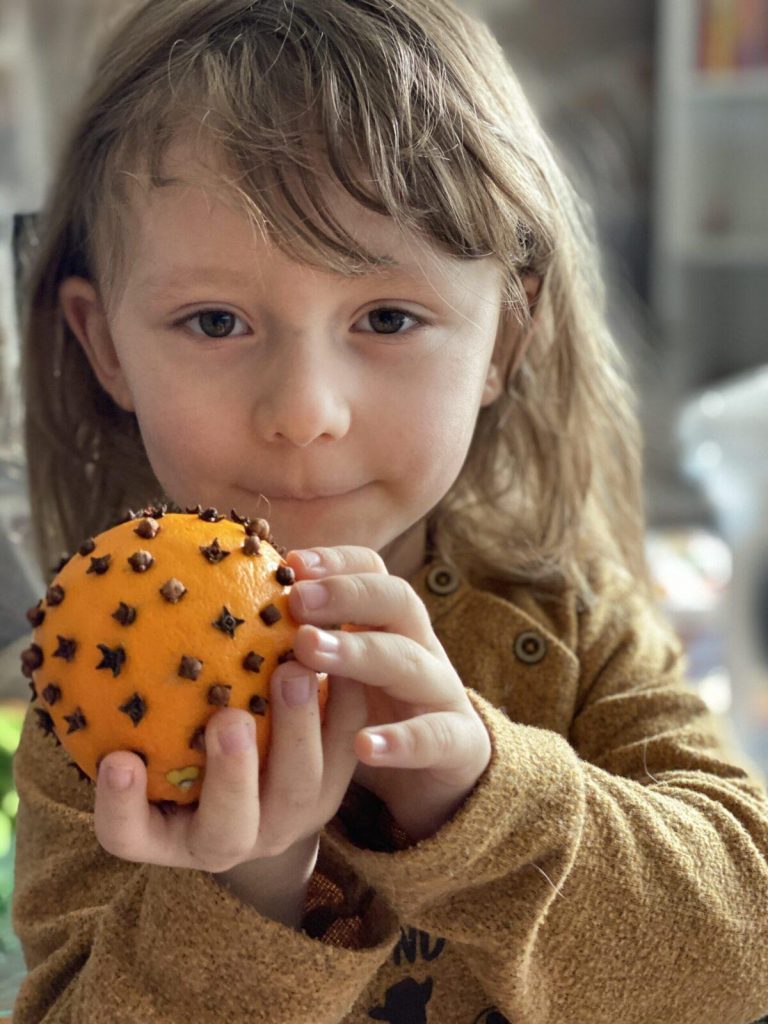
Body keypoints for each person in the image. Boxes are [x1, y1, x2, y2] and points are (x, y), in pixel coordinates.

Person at [9, 1, 768, 1021]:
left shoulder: (571, 626)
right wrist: (249, 887)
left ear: (504, 336)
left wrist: (480, 800)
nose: (304, 412)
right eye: (216, 320)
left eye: (388, 317)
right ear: (106, 346)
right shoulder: (102, 706)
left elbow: (744, 952)